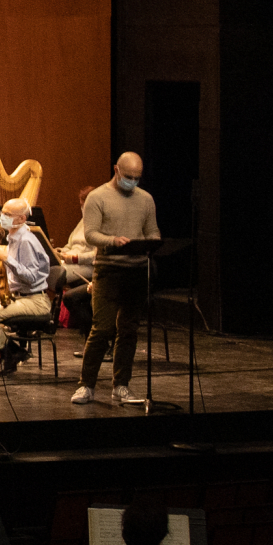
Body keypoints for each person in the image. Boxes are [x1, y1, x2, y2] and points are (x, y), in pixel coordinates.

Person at [74, 151, 160, 407]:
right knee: (101, 329)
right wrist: (113, 240)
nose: (132, 181)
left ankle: (121, 385)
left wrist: (152, 242)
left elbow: (152, 230)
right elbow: (90, 234)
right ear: (116, 170)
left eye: (137, 177)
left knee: (129, 330)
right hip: (108, 270)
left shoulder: (146, 199)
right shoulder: (98, 197)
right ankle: (86, 385)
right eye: (128, 176)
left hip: (135, 271)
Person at [0, 198, 55, 373]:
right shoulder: (14, 238)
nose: (2, 217)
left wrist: (7, 259)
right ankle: (15, 351)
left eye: (8, 214)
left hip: (35, 301)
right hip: (19, 297)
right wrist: (3, 290)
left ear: (22, 219)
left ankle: (8, 357)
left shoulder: (25, 240)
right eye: (3, 213)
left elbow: (32, 278)